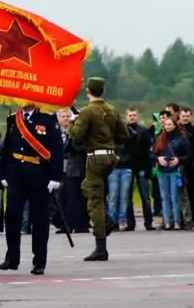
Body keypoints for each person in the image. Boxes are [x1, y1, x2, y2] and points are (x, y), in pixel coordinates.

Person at [0, 102, 63, 275]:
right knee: (12, 216)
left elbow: (56, 149)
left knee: (39, 219)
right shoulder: (13, 119)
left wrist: (56, 176)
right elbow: (7, 149)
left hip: (39, 175)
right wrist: (3, 174)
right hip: (16, 174)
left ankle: (39, 261)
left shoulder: (47, 119)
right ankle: (12, 258)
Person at [69, 77, 129, 262]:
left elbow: (75, 137)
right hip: (110, 156)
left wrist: (74, 121)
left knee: (95, 200)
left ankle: (101, 246)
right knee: (88, 188)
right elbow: (124, 134)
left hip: (95, 158)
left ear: (88, 91)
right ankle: (107, 220)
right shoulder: (111, 110)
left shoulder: (87, 112)